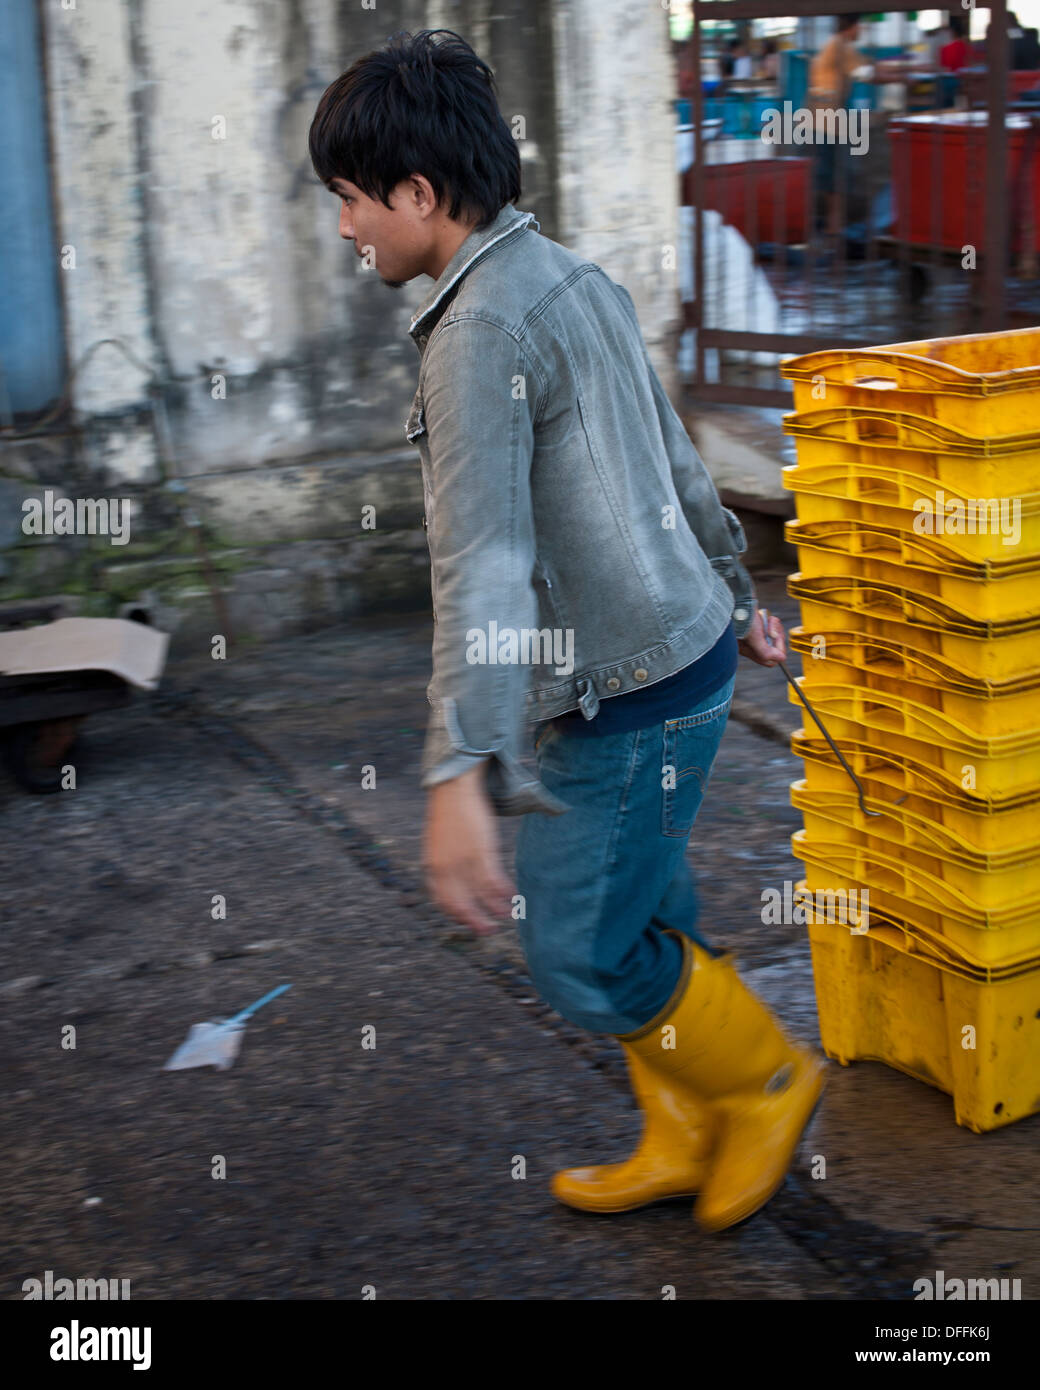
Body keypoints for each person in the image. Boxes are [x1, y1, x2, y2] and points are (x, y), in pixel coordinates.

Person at [309, 28, 825, 1233]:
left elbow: (480, 567)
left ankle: (761, 1084)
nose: (346, 230)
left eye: (348, 199)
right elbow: (671, 453)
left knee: (581, 950)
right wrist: (732, 590)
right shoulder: (567, 276)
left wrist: (451, 771)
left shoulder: (478, 332)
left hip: (623, 686)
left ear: (420, 194)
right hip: (676, 652)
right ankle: (683, 1123)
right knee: (643, 906)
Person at [809, 14, 874, 238]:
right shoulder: (839, 46)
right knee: (835, 174)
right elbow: (867, 73)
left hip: (823, 117)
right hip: (827, 120)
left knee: (831, 173)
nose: (862, 31)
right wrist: (904, 76)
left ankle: (832, 224)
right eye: (861, 26)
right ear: (853, 26)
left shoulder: (837, 44)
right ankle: (833, 227)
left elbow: (864, 66)